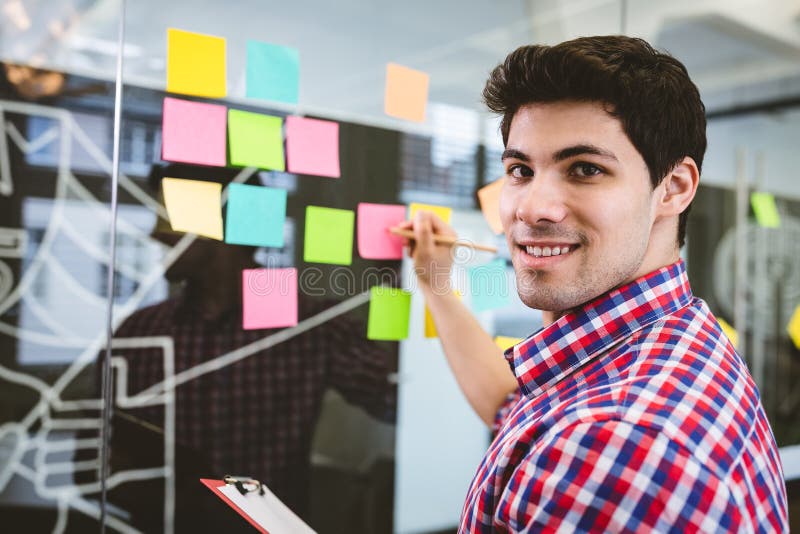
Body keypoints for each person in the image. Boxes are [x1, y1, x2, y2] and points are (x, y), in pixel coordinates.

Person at [399, 36, 789, 532]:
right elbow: (513, 412)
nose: (531, 208)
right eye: (520, 169)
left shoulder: (617, 443)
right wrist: (435, 278)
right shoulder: (669, 338)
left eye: (585, 169)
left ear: (674, 188)